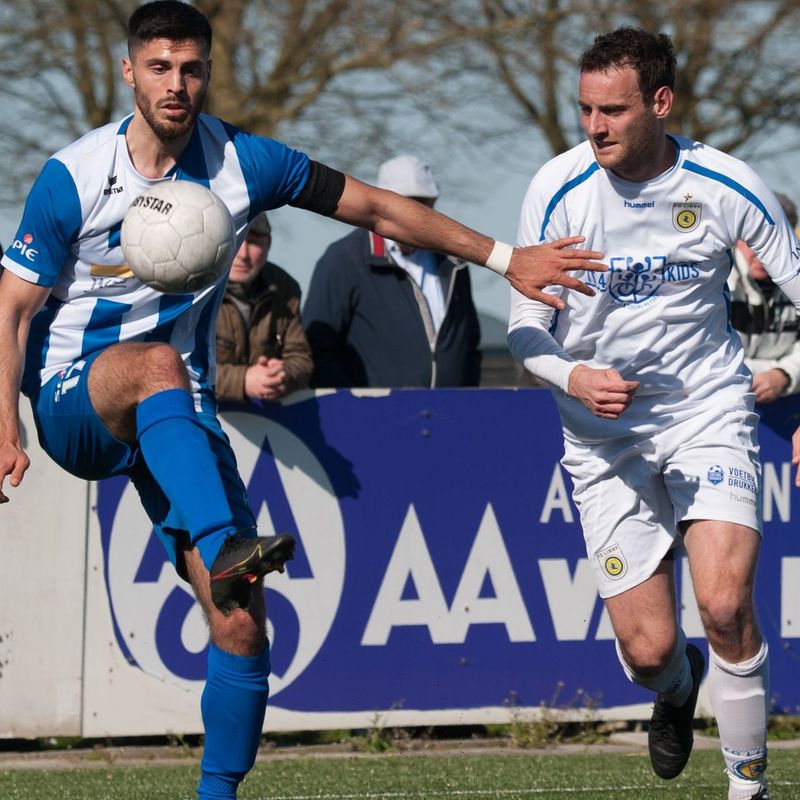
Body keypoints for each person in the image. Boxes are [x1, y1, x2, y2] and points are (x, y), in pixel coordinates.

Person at [0, 3, 607, 797]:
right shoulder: (74, 175)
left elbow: (381, 209)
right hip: (74, 398)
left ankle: (218, 793)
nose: (176, 84)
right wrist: (5, 422)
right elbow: (11, 310)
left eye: (191, 68)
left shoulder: (246, 164)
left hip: (172, 408)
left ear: (208, 73)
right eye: (159, 67)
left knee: (243, 622)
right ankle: (225, 542)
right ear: (129, 72)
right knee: (154, 366)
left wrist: (501, 256)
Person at [508, 27, 800, 800]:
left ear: (661, 104)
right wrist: (572, 372)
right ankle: (677, 689)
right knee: (647, 649)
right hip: (602, 439)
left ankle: (749, 787)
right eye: (585, 110)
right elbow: (521, 328)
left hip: (707, 412)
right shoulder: (557, 188)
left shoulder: (729, 185)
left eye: (612, 110)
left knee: (727, 602)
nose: (594, 127)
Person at [304, 155, 481, 388]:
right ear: (382, 204)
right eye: (405, 203)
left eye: (424, 203)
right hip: (371, 418)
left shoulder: (453, 262)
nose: (416, 213)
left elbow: (469, 345)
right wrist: (358, 406)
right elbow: (315, 349)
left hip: (448, 416)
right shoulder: (344, 260)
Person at [216, 211, 312, 403]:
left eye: (253, 242)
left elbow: (301, 359)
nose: (243, 254)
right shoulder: (190, 288)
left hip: (265, 423)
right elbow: (174, 368)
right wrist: (242, 380)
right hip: (198, 419)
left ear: (268, 246)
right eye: (236, 240)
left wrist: (281, 374)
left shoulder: (286, 288)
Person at [729, 193, 800, 404]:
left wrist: (783, 375)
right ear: (737, 238)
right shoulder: (716, 282)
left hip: (784, 408)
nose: (764, 254)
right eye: (755, 242)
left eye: (775, 243)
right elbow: (707, 360)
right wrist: (769, 371)